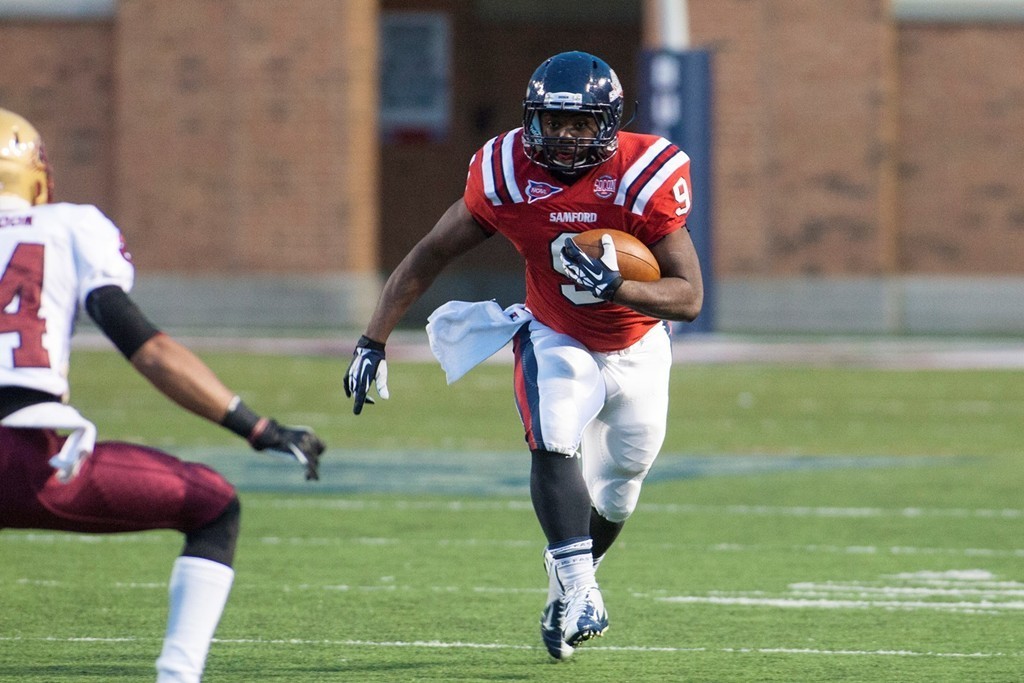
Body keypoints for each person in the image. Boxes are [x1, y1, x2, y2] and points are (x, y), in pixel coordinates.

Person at [343, 51, 703, 659]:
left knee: (621, 484)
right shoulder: (505, 172)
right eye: (552, 123)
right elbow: (430, 252)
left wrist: (616, 286)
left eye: (580, 124)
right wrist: (373, 339)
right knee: (554, 434)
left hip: (637, 342)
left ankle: (567, 582)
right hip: (555, 331)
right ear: (530, 120)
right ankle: (583, 586)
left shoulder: (645, 172)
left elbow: (689, 297)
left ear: (609, 123)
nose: (563, 138)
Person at [0, 107, 325, 682]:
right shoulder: (70, 227)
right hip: (28, 456)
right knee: (213, 504)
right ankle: (178, 677)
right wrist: (255, 426)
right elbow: (146, 349)